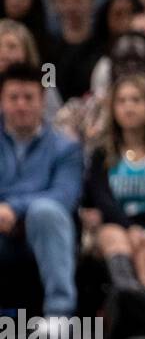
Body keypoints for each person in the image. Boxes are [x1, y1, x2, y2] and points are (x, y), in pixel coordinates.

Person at [82, 75, 145, 339]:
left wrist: (138, 227)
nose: (129, 107)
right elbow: (102, 199)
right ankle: (128, 294)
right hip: (116, 227)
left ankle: (138, 320)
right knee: (113, 235)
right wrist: (129, 228)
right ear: (113, 109)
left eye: (136, 100)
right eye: (122, 101)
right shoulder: (102, 152)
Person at [0, 62, 83, 323]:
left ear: (42, 100)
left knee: (46, 210)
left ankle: (59, 316)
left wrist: (14, 207)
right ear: (2, 101)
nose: (21, 105)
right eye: (13, 98)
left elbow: (64, 196)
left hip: (44, 235)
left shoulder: (66, 147)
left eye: (29, 97)